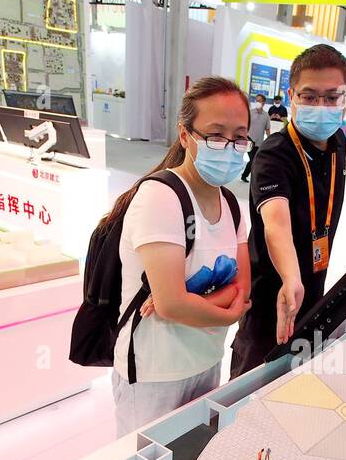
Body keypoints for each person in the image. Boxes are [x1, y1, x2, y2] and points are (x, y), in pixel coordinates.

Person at [103, 76, 252, 437]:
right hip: (156, 373)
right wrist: (227, 310)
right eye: (216, 135)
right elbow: (172, 306)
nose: (230, 147)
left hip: (206, 361)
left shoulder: (231, 203)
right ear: (185, 135)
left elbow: (243, 287)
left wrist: (202, 303)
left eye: (240, 136)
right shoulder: (161, 197)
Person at [230, 44, 346, 378]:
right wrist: (291, 277)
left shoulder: (338, 144)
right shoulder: (274, 155)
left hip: (313, 295)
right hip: (274, 299)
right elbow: (275, 225)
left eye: (331, 97)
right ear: (292, 95)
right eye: (309, 96)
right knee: (248, 392)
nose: (321, 106)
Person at [241, 93, 270, 182]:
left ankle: (245, 176)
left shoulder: (266, 116)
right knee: (253, 160)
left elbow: (267, 129)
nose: (257, 102)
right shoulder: (250, 112)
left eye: (259, 101)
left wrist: (269, 140)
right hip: (249, 139)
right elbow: (244, 124)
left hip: (259, 142)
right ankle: (249, 177)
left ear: (264, 102)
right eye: (256, 100)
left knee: (255, 161)